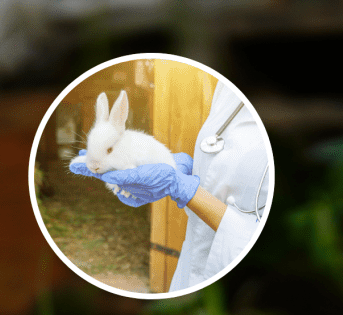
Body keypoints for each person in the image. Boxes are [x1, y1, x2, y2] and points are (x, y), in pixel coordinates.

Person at [70, 81, 270, 292]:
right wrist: (187, 169)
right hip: (192, 256)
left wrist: (180, 186)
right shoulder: (228, 88)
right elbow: (220, 165)